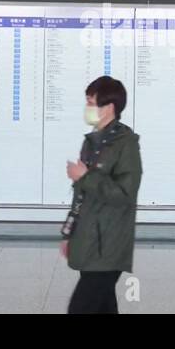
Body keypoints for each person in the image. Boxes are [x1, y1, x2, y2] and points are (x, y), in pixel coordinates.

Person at [61, 76, 142, 314]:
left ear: (108, 108)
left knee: (80, 308)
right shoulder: (92, 142)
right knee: (103, 307)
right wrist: (69, 233)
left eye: (91, 102)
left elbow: (125, 193)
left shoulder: (125, 145)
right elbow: (81, 198)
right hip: (89, 240)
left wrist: (85, 177)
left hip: (109, 244)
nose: (87, 108)